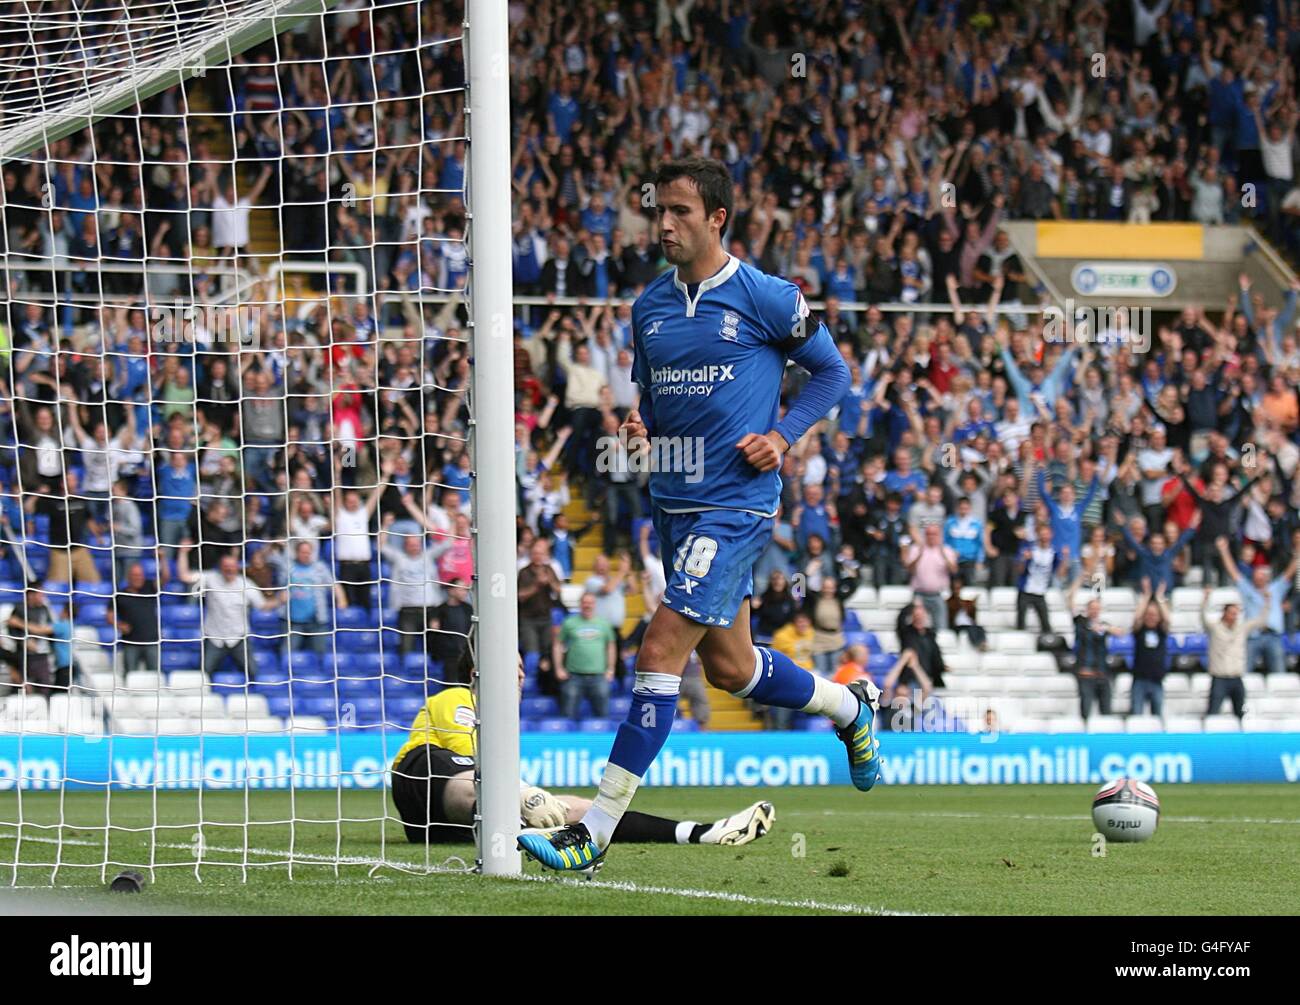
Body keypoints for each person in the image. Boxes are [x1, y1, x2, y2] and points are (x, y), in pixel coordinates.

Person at [519, 157, 867, 876]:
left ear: (717, 217)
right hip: (673, 505)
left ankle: (596, 831)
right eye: (658, 211)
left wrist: (783, 434)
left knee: (658, 648)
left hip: (735, 504)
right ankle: (849, 707)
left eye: (679, 211)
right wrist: (642, 428)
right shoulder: (649, 308)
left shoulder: (769, 297)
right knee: (733, 669)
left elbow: (834, 373)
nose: (664, 224)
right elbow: (650, 399)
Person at [391, 651, 773, 847]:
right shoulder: (458, 697)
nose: (522, 675)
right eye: (513, 666)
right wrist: (526, 794)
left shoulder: (503, 722)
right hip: (419, 775)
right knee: (505, 790)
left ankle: (700, 833)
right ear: (478, 673)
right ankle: (526, 810)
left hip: (450, 823)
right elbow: (474, 765)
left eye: (523, 667)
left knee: (584, 810)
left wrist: (531, 798)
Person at [175, 545, 284, 678]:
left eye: (232, 566)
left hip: (239, 638)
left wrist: (280, 600)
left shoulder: (246, 584)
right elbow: (184, 576)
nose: (229, 569)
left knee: (253, 673)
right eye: (226, 566)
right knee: (202, 676)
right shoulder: (210, 578)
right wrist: (182, 553)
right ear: (220, 567)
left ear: (237, 567)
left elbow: (262, 605)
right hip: (214, 637)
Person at [1215, 535, 1296, 678]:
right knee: (1245, 673)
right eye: (1257, 575)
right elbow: (1233, 571)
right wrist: (1224, 551)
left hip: (1273, 636)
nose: (1260, 577)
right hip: (1254, 636)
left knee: (1279, 675)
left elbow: (1289, 572)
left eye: (1262, 575)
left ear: (1267, 578)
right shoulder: (1247, 590)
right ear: (1253, 577)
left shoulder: (1275, 589)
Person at [1066, 577, 1128, 719]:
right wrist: (1078, 581)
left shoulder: (1103, 625)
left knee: (1106, 713)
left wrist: (1104, 628)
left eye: (1097, 608)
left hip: (1102, 673)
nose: (1094, 611)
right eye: (1092, 608)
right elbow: (1070, 602)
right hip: (1086, 673)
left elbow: (1120, 633)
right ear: (1087, 610)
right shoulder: (1081, 622)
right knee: (1086, 711)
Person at [1202, 586, 1267, 719]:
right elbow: (1203, 618)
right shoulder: (1215, 628)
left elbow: (1261, 621)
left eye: (1236, 613)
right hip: (1219, 677)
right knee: (1213, 712)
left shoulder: (1242, 628)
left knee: (1240, 712)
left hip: (1236, 678)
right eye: (1232, 613)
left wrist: (1267, 602)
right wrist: (1206, 599)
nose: (1234, 616)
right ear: (1224, 613)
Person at [552, 592, 616, 720]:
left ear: (595, 605)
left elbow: (611, 646)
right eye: (585, 602)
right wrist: (558, 668)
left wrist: (611, 669)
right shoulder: (569, 622)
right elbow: (557, 644)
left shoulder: (604, 624)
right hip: (574, 676)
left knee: (602, 717)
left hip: (599, 676)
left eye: (590, 603)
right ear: (580, 604)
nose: (587, 605)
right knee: (568, 715)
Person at [107, 562, 160, 676]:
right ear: (129, 577)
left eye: (140, 575)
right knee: (130, 675)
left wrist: (163, 559)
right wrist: (119, 625)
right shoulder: (120, 594)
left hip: (151, 641)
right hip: (130, 642)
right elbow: (109, 614)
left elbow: (165, 577)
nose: (138, 578)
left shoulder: (150, 588)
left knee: (155, 676)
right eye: (135, 575)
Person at [1129, 579, 1171, 717]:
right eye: (1149, 614)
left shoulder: (1161, 631)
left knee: (1158, 715)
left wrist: (1159, 599)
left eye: (1154, 614)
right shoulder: (1140, 631)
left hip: (1156, 679)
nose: (1151, 617)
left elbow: (1168, 619)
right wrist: (1146, 596)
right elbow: (1136, 618)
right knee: (1136, 714)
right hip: (1140, 679)